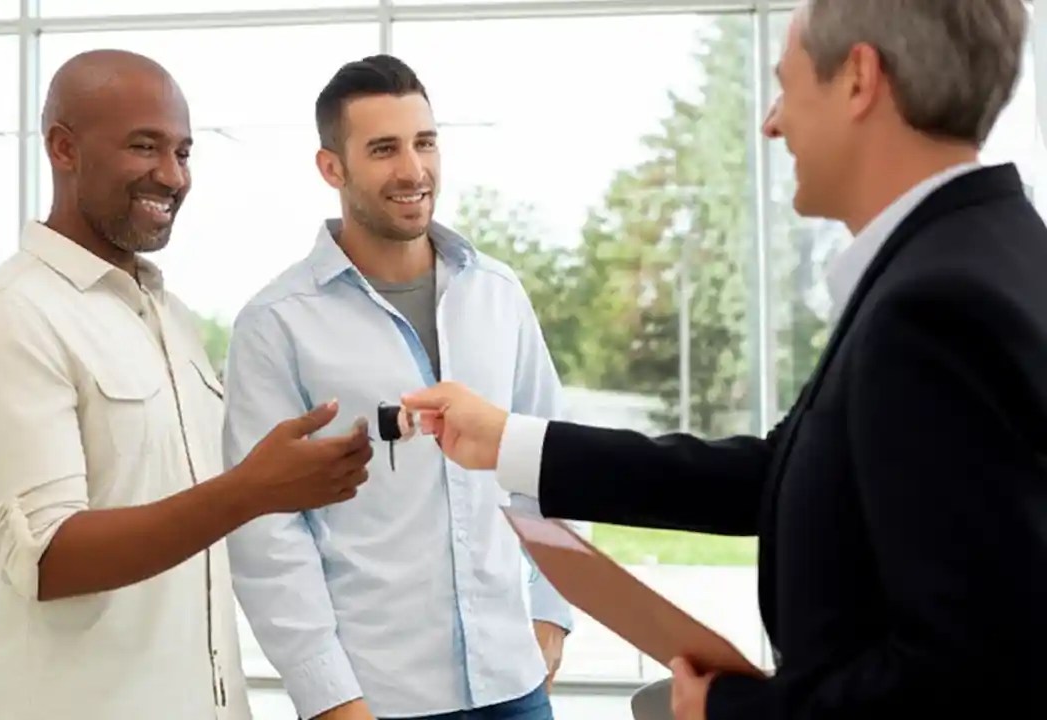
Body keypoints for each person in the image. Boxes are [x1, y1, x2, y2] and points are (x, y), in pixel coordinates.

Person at [400, 2, 1047, 719]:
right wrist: (511, 442)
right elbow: (781, 473)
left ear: (859, 79)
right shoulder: (986, 256)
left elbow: (970, 677)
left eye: (787, 86)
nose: (773, 122)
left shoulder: (937, 306)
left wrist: (731, 710)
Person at [0, 49, 372, 720]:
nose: (172, 175)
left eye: (184, 152)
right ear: (63, 148)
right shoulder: (10, 319)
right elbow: (51, 559)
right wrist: (250, 490)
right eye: (144, 147)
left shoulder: (168, 317)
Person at [221, 54, 574, 720]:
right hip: (376, 698)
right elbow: (268, 533)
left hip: (515, 685)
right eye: (383, 149)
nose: (413, 170)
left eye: (425, 142)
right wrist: (329, 695)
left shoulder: (497, 294)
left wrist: (552, 613)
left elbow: (546, 455)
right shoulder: (277, 324)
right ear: (333, 168)